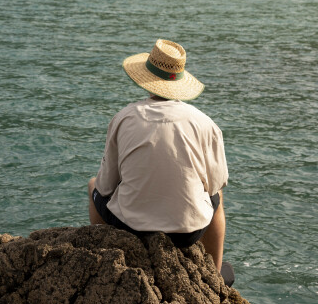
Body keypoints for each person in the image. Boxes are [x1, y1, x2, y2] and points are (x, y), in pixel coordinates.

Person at [88, 37, 230, 278]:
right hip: (188, 233)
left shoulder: (124, 118)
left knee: (92, 185)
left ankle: (106, 263)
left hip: (131, 227)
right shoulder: (205, 123)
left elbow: (105, 185)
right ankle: (215, 276)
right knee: (217, 199)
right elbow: (216, 184)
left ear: (146, 79)